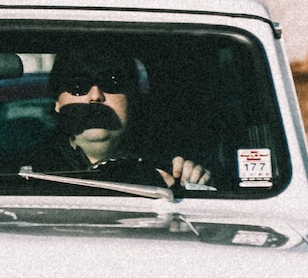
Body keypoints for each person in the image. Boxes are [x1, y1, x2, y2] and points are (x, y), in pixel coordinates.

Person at [24, 42, 215, 190]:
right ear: (57, 101)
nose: (95, 96)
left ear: (132, 96)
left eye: (112, 82)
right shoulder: (20, 172)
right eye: (77, 85)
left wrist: (193, 185)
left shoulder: (167, 171)